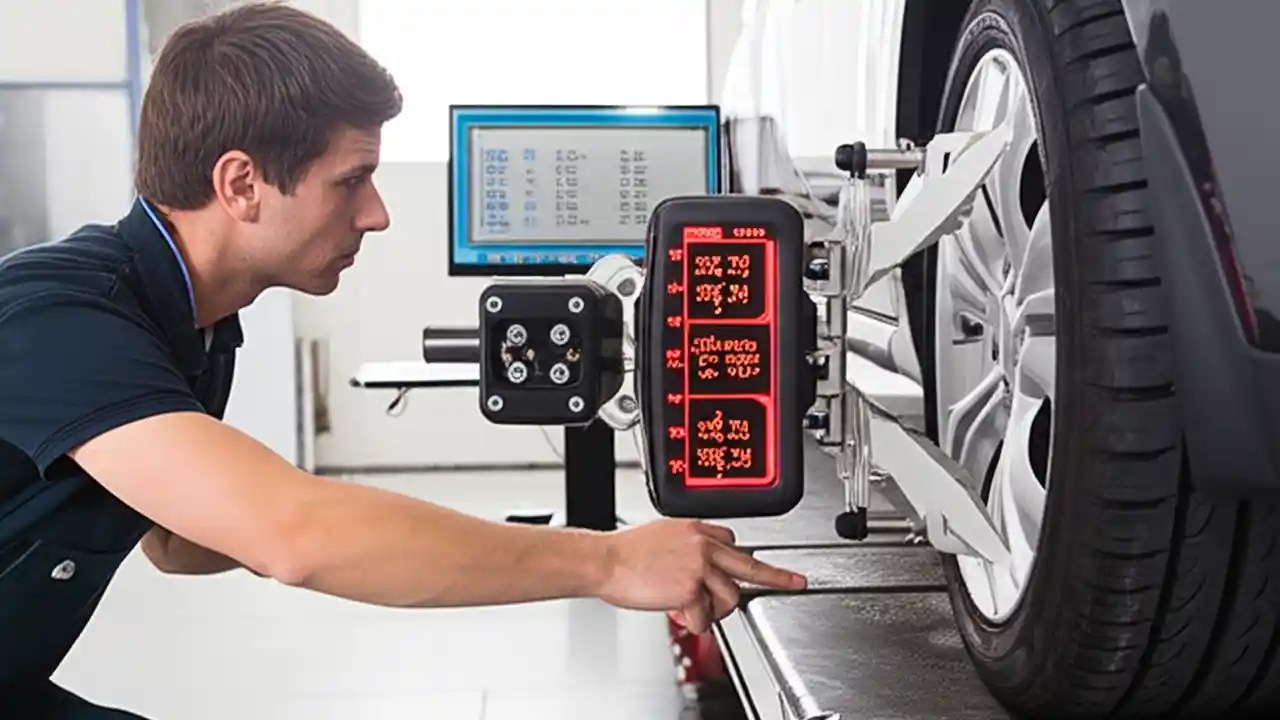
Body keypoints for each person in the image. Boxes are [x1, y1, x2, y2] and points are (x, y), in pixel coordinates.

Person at [0, 3, 806, 717]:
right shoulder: (65, 319)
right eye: (352, 181)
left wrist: (388, 532)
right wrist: (605, 561)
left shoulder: (195, 326)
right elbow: (292, 536)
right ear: (241, 183)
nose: (377, 214)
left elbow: (178, 541)